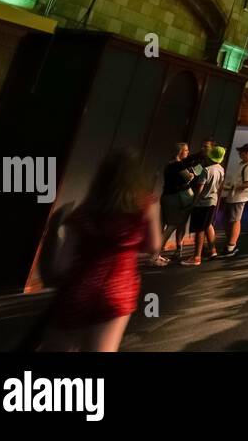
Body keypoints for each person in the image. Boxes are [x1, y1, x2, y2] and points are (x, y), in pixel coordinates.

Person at [40, 149, 161, 351]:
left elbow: (61, 267)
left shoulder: (82, 215)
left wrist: (52, 233)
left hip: (79, 289)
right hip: (119, 289)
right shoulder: (146, 207)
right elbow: (154, 245)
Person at [152, 143, 196, 266]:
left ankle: (157, 254)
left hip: (166, 196)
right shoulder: (178, 165)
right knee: (172, 225)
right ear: (180, 152)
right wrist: (193, 173)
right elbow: (188, 178)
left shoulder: (169, 164)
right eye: (186, 150)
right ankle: (154, 256)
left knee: (165, 224)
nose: (188, 152)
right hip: (174, 198)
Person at [187, 145, 226, 265]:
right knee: (208, 225)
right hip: (212, 201)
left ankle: (196, 257)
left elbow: (200, 188)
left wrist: (194, 202)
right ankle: (212, 250)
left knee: (199, 229)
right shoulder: (221, 169)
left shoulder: (206, 169)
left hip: (202, 202)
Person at [219, 143, 248, 258]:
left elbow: (247, 184)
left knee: (235, 220)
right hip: (234, 196)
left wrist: (231, 187)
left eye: (241, 152)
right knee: (229, 220)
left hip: (239, 197)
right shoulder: (242, 164)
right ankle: (230, 244)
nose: (239, 154)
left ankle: (231, 246)